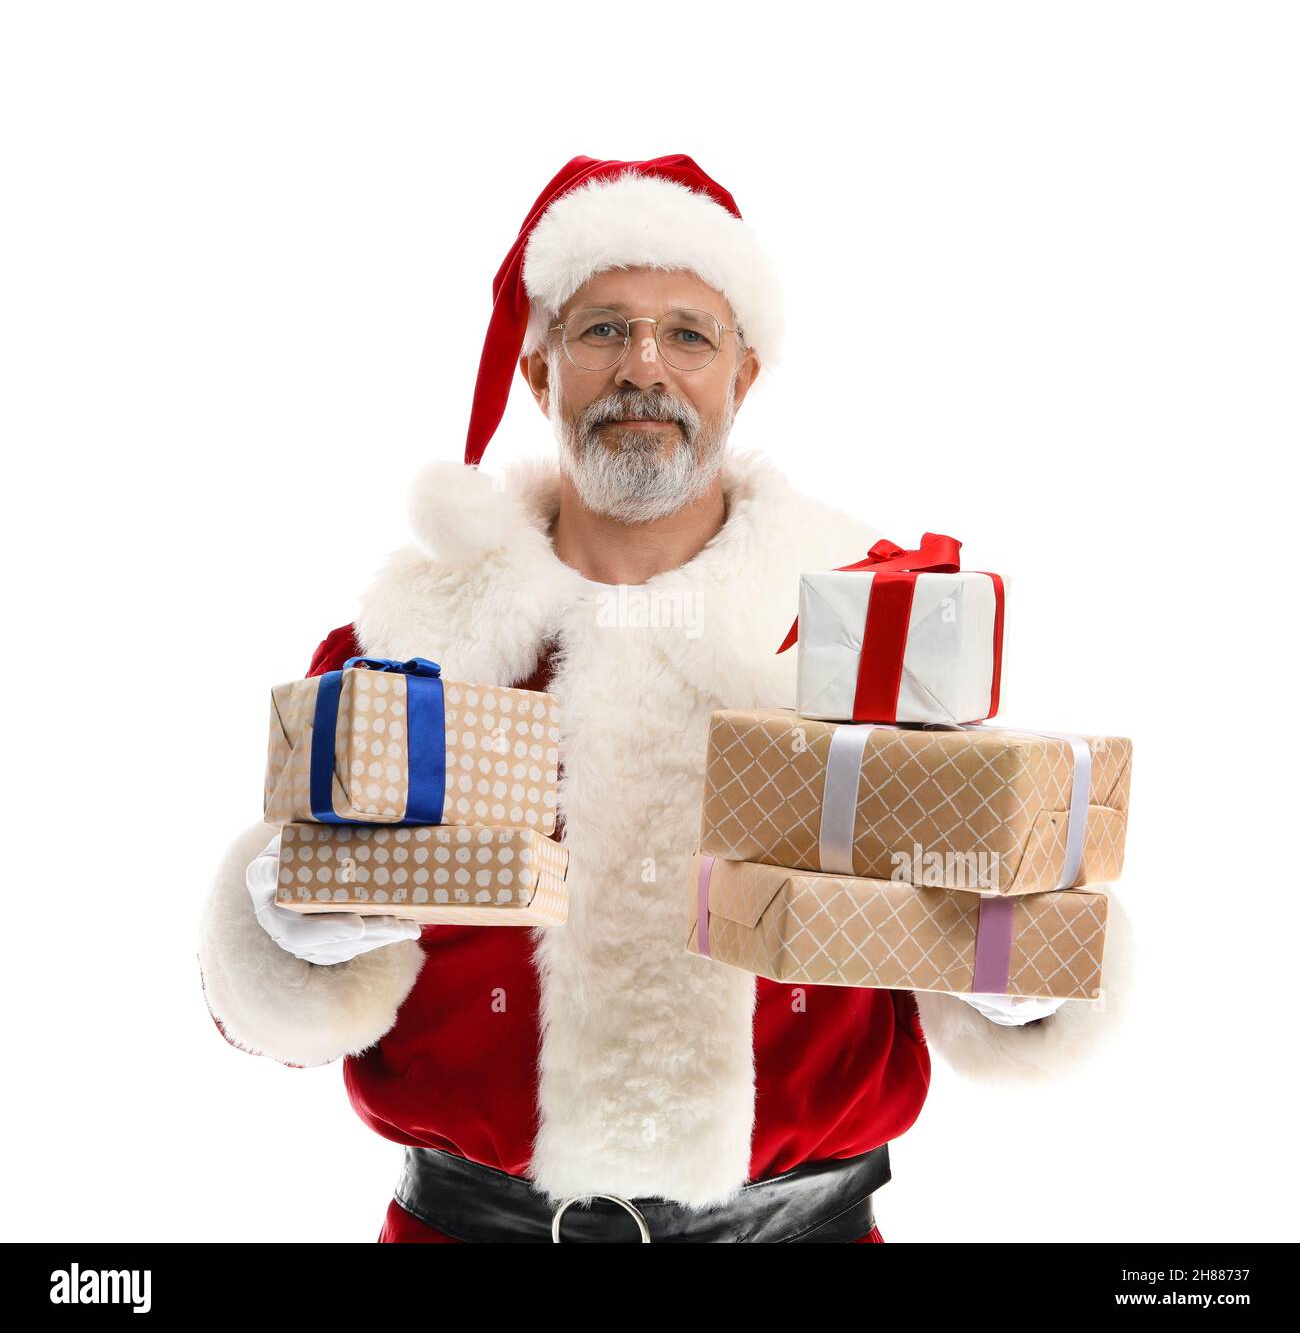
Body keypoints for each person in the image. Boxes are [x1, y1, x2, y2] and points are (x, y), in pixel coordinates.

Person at [198, 155, 1131, 1243]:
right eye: (602, 330)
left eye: (687, 334)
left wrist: (1028, 972)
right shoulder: (396, 653)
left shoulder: (871, 633)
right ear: (541, 374)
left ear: (741, 376)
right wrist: (277, 931)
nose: (644, 366)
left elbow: (987, 899)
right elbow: (263, 1018)